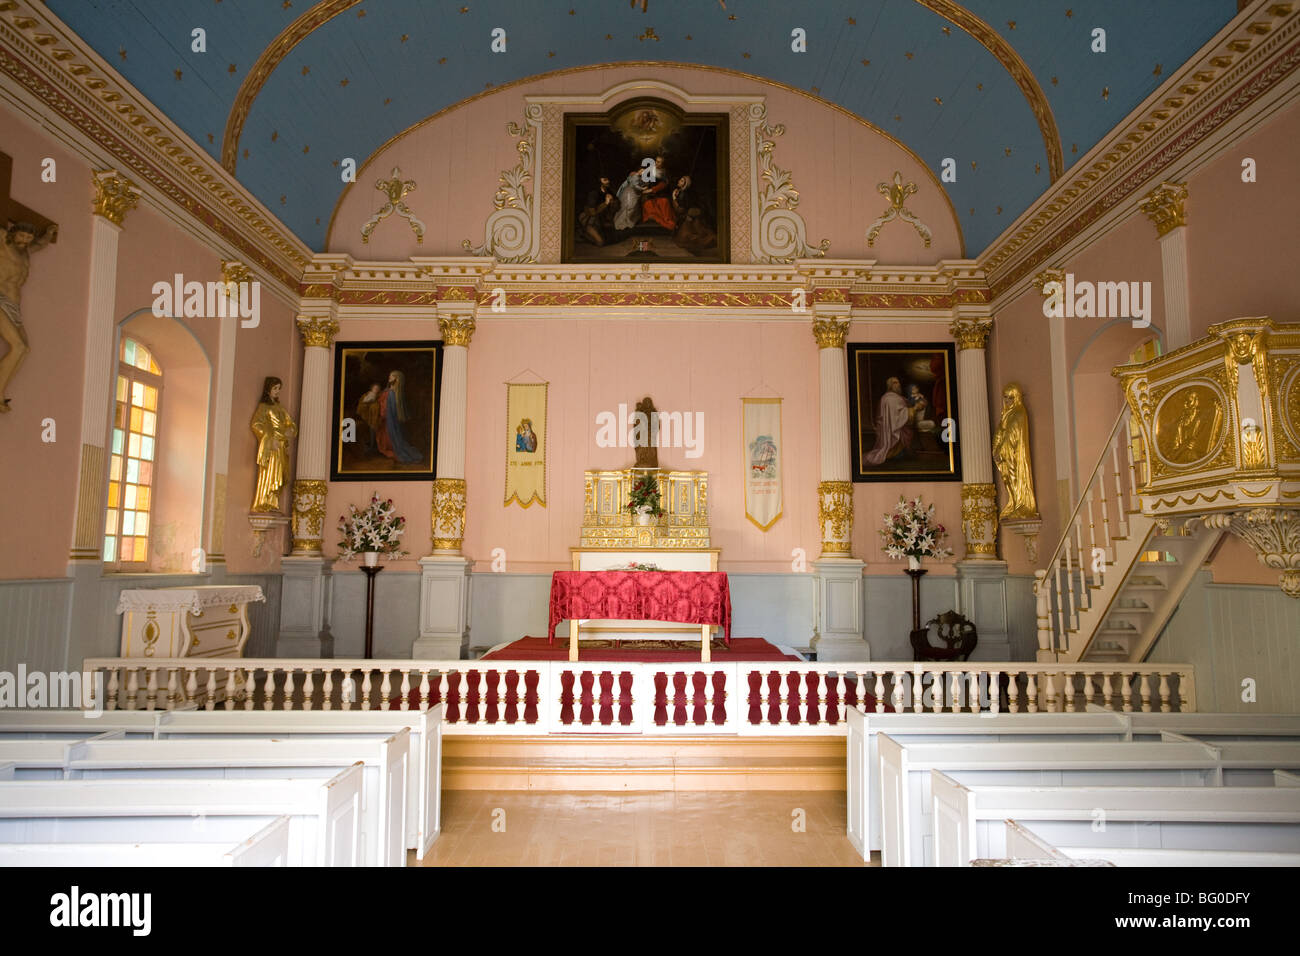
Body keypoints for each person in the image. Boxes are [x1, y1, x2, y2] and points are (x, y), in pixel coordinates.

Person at [0, 221, 57, 413]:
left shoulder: (26, 251)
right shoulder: (4, 242)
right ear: (13, 233)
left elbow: (40, 244)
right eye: (22, 236)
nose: (25, 240)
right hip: (0, 299)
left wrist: (48, 233)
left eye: (28, 238)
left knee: (25, 350)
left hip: (14, 306)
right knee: (19, 346)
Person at [250, 376, 297, 512]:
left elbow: (291, 424)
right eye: (275, 388)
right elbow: (256, 424)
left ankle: (274, 502)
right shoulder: (264, 407)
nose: (277, 391)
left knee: (281, 475)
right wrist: (270, 439)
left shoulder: (280, 408)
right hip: (272, 445)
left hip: (281, 445)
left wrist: (290, 430)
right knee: (271, 474)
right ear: (268, 389)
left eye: (279, 389)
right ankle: (265, 502)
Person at [992, 383, 1038, 519]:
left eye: (1010, 398)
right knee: (1007, 479)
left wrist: (1001, 451)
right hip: (1005, 454)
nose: (1007, 401)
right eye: (1005, 397)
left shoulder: (1018, 413)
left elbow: (1011, 435)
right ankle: (1014, 502)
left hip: (1013, 454)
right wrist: (996, 449)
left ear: (1016, 398)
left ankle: (1021, 504)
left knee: (1015, 477)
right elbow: (1000, 433)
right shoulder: (1006, 414)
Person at [863, 377, 913, 466]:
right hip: (889, 429)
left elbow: (900, 412)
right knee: (898, 456)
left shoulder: (896, 397)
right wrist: (913, 410)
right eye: (895, 383)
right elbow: (895, 418)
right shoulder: (889, 398)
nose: (898, 384)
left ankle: (899, 454)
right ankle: (893, 454)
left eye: (898, 382)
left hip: (894, 426)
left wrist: (910, 408)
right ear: (890, 386)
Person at [378, 369, 423, 465]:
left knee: (395, 436)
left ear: (397, 379)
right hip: (392, 419)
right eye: (389, 376)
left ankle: (401, 452)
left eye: (391, 376)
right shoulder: (394, 392)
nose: (389, 378)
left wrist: (383, 413)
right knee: (396, 436)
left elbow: (390, 410)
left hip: (391, 419)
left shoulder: (391, 393)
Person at [672, 176, 716, 253]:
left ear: (686, 184)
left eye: (682, 181)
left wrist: (674, 198)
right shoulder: (680, 192)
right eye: (680, 180)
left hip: (691, 215)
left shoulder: (685, 194)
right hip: (687, 215)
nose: (679, 181)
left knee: (686, 237)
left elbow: (682, 208)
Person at [638, 156, 676, 231]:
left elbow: (663, 185)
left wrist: (651, 190)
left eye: (659, 162)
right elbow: (645, 177)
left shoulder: (664, 172)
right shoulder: (651, 169)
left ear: (663, 164)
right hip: (652, 195)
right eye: (656, 161)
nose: (656, 163)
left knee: (664, 203)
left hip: (661, 194)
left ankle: (663, 220)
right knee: (647, 203)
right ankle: (652, 217)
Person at [578, 176, 616, 246]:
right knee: (600, 243)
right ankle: (584, 233)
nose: (608, 181)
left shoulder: (608, 191)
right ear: (599, 182)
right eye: (605, 180)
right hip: (589, 220)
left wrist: (612, 201)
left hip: (601, 220)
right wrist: (606, 203)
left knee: (613, 239)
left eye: (608, 179)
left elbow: (615, 206)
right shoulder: (593, 193)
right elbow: (592, 212)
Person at [356, 383, 381, 454]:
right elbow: (363, 404)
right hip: (366, 417)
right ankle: (369, 446)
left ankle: (373, 446)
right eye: (375, 388)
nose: (376, 390)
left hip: (374, 419)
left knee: (373, 430)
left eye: (377, 389)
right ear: (371, 389)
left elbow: (376, 406)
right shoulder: (367, 395)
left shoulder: (378, 397)